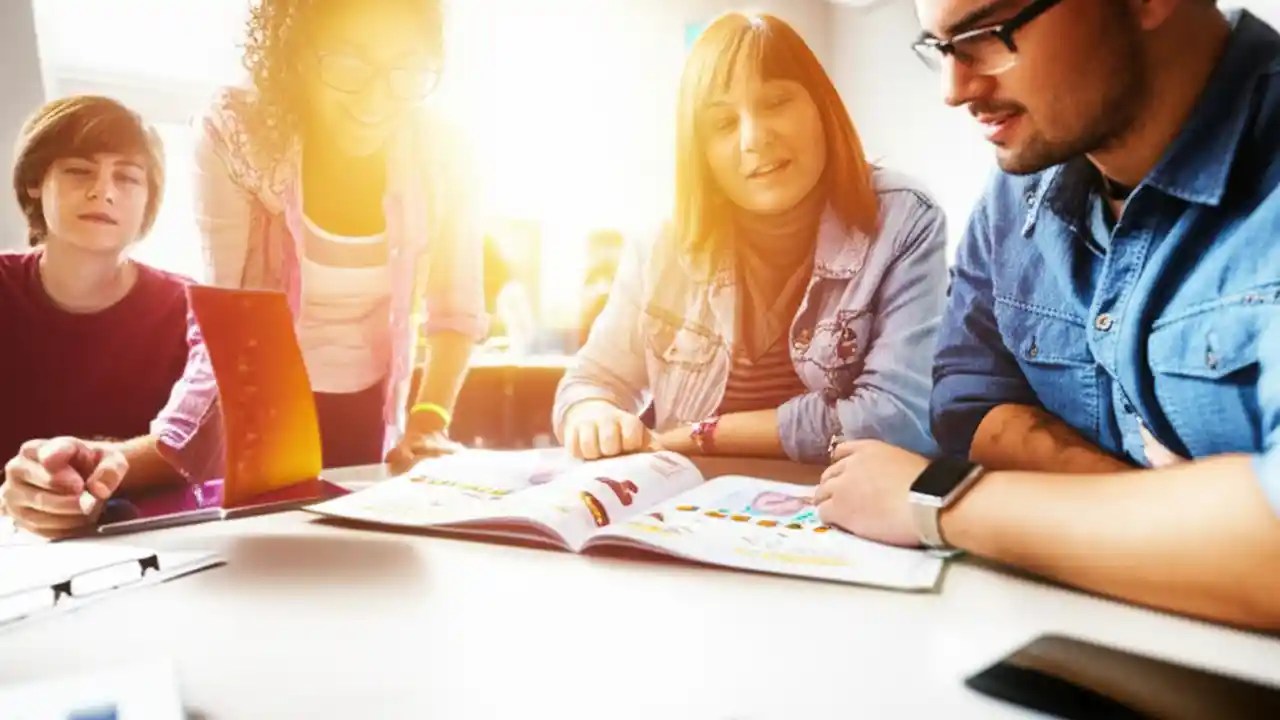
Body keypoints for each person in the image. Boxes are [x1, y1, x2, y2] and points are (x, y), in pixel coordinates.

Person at [817, 0, 1280, 629]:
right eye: (940, 48)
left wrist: (942, 503)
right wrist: (1187, 523)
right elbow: (967, 403)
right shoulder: (1021, 188)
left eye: (987, 34)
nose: (953, 90)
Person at [553, 12, 949, 463]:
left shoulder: (903, 219)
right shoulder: (663, 243)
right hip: (690, 501)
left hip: (838, 501)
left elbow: (896, 418)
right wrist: (594, 415)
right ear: (699, 151)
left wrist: (702, 435)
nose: (754, 138)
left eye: (776, 102)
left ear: (822, 107)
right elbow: (591, 382)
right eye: (723, 124)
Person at [1, 96, 191, 537]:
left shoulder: (190, 308)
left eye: (127, 177)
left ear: (149, 201)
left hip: (152, 544)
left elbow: (213, 442)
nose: (103, 191)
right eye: (78, 171)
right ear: (35, 182)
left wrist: (111, 467)